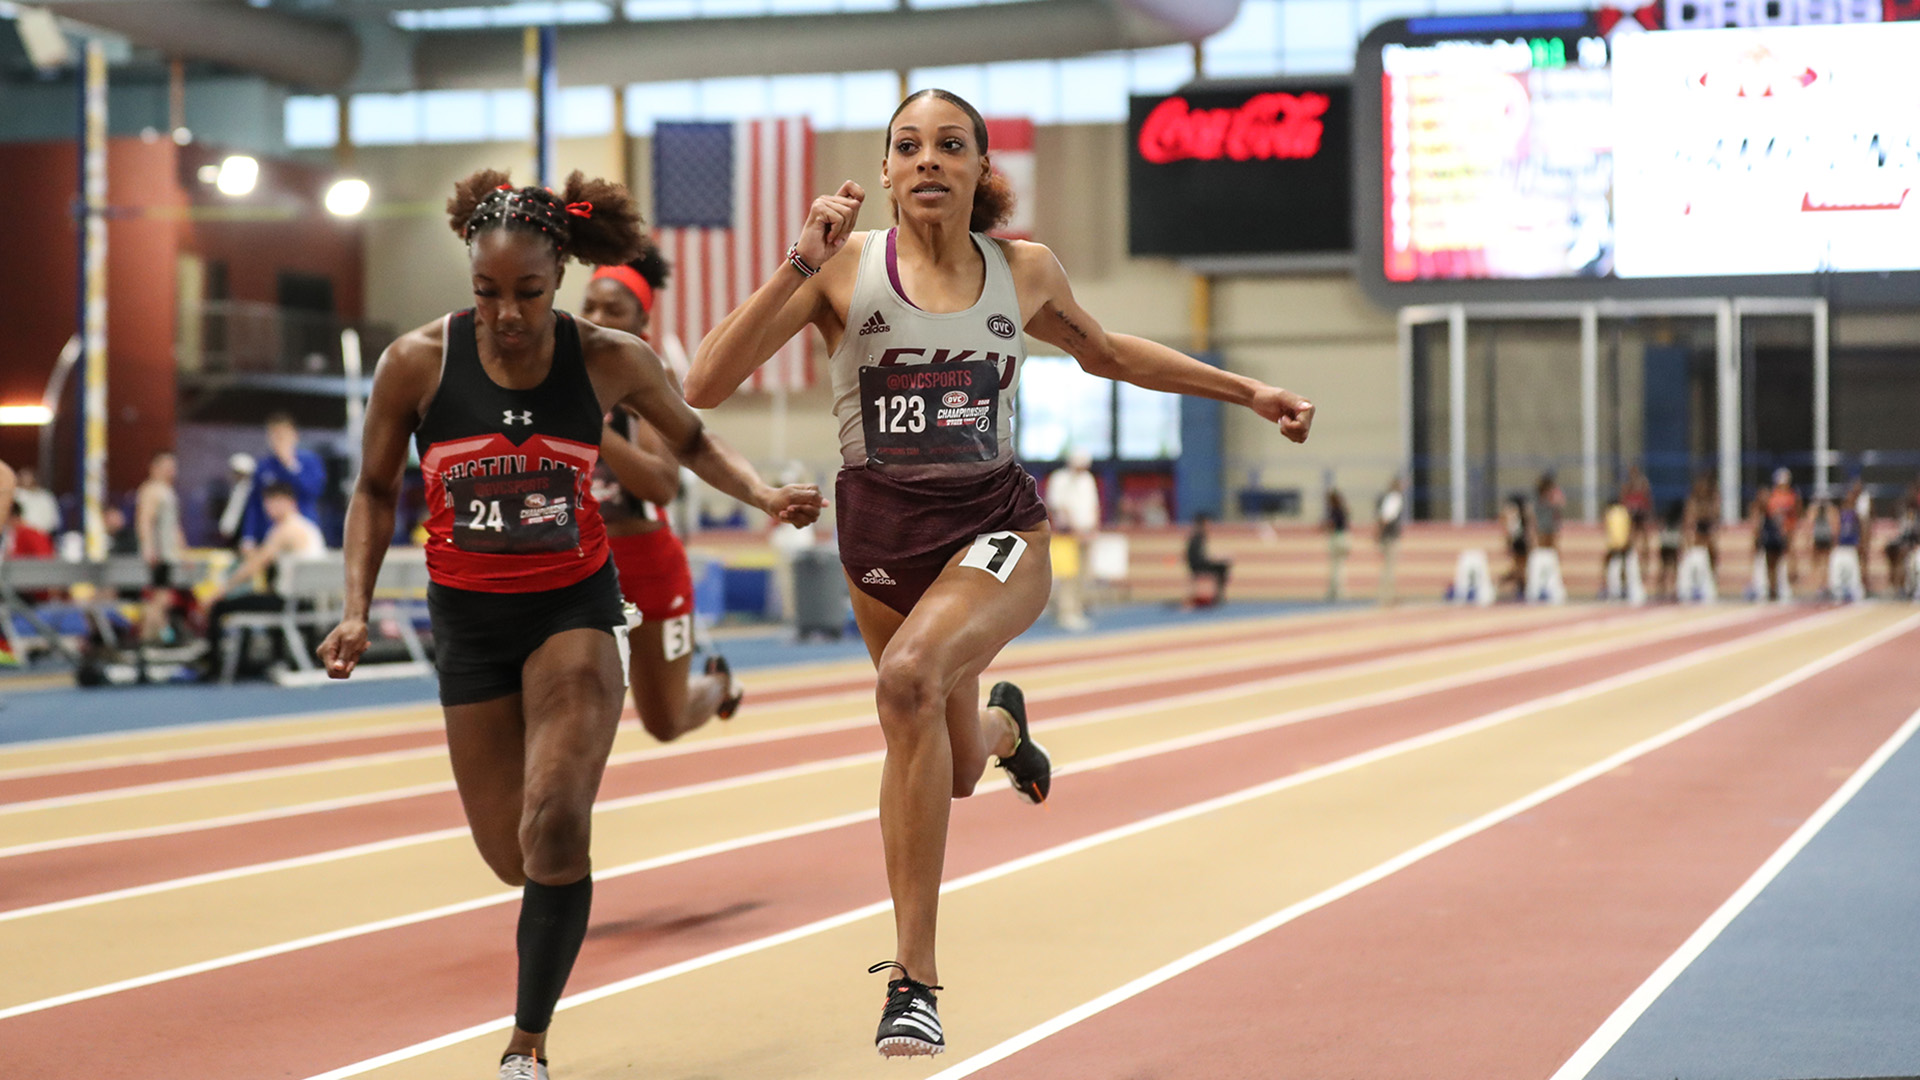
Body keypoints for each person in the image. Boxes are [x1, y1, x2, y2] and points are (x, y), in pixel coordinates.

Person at [683, 88, 1314, 1057]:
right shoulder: (843, 275)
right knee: (958, 768)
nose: (928, 159)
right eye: (909, 146)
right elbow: (703, 386)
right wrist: (796, 263)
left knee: (904, 684)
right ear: (886, 172)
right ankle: (1003, 728)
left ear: (982, 171)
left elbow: (1109, 354)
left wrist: (1249, 390)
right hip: (881, 542)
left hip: (996, 533)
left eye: (951, 146)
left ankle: (914, 983)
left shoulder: (1021, 272)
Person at [316, 169, 819, 1080]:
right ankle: (550, 917)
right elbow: (375, 489)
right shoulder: (416, 364)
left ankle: (527, 1045)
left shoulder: (610, 359)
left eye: (528, 294)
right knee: (514, 858)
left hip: (574, 607)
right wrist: (355, 609)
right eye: (487, 293)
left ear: (560, 276)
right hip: (467, 625)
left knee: (554, 821)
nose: (507, 314)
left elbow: (694, 443)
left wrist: (763, 492)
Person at [579, 246, 745, 742]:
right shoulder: (563, 369)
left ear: (641, 319)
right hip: (581, 562)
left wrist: (594, 428)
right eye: (590, 306)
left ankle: (718, 685)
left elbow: (661, 484)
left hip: (647, 563)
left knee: (664, 722)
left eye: (613, 310)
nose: (598, 319)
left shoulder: (651, 376)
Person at [202, 481, 325, 679]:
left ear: (289, 502)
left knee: (220, 607)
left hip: (289, 603)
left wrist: (219, 592)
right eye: (267, 502)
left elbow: (254, 566)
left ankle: (214, 670)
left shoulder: (285, 530)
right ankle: (259, 662)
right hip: (306, 602)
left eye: (274, 502)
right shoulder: (309, 528)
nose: (269, 507)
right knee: (260, 596)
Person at [240, 413, 326, 551]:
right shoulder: (264, 466)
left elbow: (314, 491)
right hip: (270, 532)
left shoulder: (310, 462)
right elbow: (255, 503)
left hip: (300, 528)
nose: (279, 440)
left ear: (294, 435)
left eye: (283, 435)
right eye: (274, 435)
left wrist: (290, 465)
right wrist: (248, 536)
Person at [1043, 448, 1100, 630]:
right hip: (1067, 534)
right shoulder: (1059, 479)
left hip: (1087, 533)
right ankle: (1066, 612)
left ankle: (1078, 608)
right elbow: (1059, 507)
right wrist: (1076, 530)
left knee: (1084, 574)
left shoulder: (1088, 480)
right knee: (1068, 574)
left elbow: (1094, 506)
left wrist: (1094, 529)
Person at [135, 451, 187, 642]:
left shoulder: (168, 491)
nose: (171, 472)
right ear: (155, 468)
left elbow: (174, 526)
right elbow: (144, 520)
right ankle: (151, 638)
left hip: (169, 553)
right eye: (167, 467)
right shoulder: (151, 490)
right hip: (159, 554)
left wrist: (183, 551)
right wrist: (148, 548)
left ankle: (155, 637)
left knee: (164, 599)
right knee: (160, 598)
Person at [216, 452, 256, 549]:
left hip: (242, 536)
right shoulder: (237, 488)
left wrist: (226, 528)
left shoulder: (246, 490)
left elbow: (233, 514)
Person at [1376, 475, 1405, 605]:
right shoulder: (1394, 498)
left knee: (1388, 567)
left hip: (1388, 536)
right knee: (1389, 568)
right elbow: (1386, 518)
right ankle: (1386, 597)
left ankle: (1389, 596)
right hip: (1390, 537)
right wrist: (1379, 533)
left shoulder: (1390, 498)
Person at [11, 465, 59, 535]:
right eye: (24, 477)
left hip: (43, 534)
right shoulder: (16, 494)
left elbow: (53, 520)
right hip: (20, 533)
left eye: (29, 477)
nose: (27, 480)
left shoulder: (45, 496)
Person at [1501, 492, 1531, 600]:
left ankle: (1520, 588)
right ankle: (1518, 587)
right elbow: (1510, 533)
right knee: (1520, 568)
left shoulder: (1517, 515)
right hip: (1519, 542)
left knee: (1520, 568)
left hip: (1520, 541)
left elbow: (1509, 533)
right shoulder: (1517, 515)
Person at [1656, 499, 1685, 601]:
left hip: (1666, 542)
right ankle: (1674, 590)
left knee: (1664, 568)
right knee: (1674, 568)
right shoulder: (1678, 520)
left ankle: (1662, 590)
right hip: (1672, 542)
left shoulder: (1667, 518)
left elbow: (1661, 528)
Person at [1324, 488, 1350, 602]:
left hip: (1337, 538)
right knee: (1340, 566)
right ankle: (1338, 590)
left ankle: (1336, 590)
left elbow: (1332, 525)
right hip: (1344, 537)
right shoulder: (1343, 509)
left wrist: (1324, 528)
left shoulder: (1334, 510)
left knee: (1336, 566)